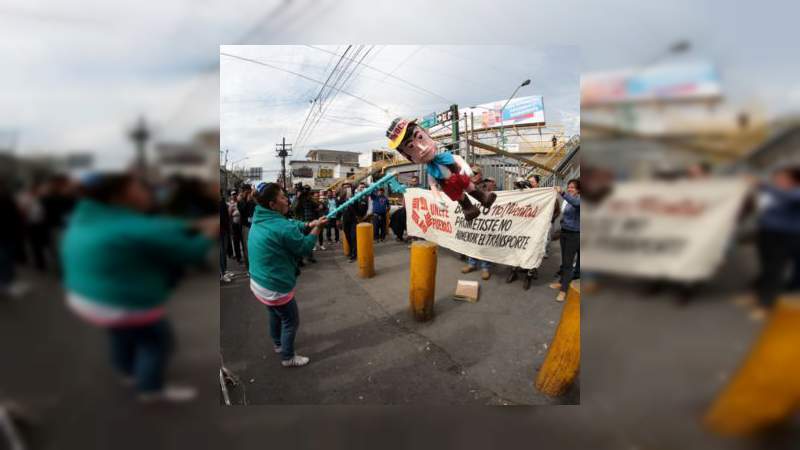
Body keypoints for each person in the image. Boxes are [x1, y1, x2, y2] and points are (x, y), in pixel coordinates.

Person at [61, 173, 216, 402]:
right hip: (121, 300)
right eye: (138, 188)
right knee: (157, 342)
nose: (147, 192)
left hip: (84, 296)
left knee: (120, 332)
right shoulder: (133, 227)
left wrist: (193, 223)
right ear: (118, 197)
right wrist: (211, 232)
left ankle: (126, 371)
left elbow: (155, 227)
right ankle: (150, 388)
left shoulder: (89, 215)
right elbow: (190, 252)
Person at [248, 182, 328, 367]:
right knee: (290, 321)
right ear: (272, 205)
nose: (288, 200)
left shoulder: (260, 216)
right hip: (274, 285)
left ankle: (278, 344)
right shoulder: (280, 226)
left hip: (259, 282)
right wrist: (317, 228)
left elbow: (290, 223)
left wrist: (308, 224)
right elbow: (304, 247)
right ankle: (288, 357)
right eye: (283, 197)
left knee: (275, 314)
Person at [387, 117, 496, 221]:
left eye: (420, 137)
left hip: (458, 176)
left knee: (470, 187)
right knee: (460, 197)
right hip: (448, 185)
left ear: (426, 134)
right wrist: (437, 198)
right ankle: (468, 208)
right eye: (411, 147)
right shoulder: (430, 171)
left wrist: (464, 166)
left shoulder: (445, 157)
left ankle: (484, 198)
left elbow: (457, 158)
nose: (423, 148)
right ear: (407, 156)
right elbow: (433, 186)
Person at [750, 166, 800, 320]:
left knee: (775, 268)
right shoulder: (773, 192)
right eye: (777, 177)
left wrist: (763, 185)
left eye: (782, 177)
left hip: (786, 235)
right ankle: (761, 293)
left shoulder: (794, 192)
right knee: (766, 265)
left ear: (794, 180)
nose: (777, 180)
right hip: (766, 233)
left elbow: (790, 198)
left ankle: (766, 303)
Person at [549, 179, 580, 302]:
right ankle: (562, 282)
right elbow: (565, 214)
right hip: (565, 233)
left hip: (575, 235)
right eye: (568, 187)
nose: (570, 189)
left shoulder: (578, 199)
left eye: (572, 187)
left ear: (579, 189)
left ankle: (563, 290)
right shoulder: (568, 200)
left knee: (568, 263)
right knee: (565, 261)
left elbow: (576, 204)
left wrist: (562, 193)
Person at [461, 177, 496, 280]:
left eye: (489, 181)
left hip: (488, 224)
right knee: (473, 242)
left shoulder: (497, 192)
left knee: (485, 244)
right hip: (475, 221)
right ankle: (472, 264)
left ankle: (486, 268)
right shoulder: (472, 187)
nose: (487, 183)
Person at [342, 183, 369, 262]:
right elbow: (339, 208)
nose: (347, 189)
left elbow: (362, 209)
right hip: (345, 219)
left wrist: (359, 216)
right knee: (348, 236)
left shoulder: (357, 197)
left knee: (353, 237)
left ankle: (354, 254)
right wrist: (338, 219)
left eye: (348, 187)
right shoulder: (342, 197)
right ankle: (351, 251)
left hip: (354, 220)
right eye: (345, 187)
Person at [237, 185, 255, 270]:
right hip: (245, 226)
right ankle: (249, 267)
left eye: (249, 191)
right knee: (247, 247)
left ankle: (254, 265)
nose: (248, 193)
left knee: (254, 246)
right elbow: (243, 211)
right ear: (244, 192)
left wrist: (252, 200)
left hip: (253, 225)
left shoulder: (252, 200)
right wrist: (247, 201)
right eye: (247, 191)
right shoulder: (240, 201)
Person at [228, 191, 243, 263]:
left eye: (235, 195)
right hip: (234, 224)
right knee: (236, 241)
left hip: (241, 224)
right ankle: (238, 257)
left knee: (242, 240)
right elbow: (229, 215)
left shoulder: (240, 202)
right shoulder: (230, 204)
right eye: (232, 195)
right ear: (231, 196)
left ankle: (244, 256)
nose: (234, 196)